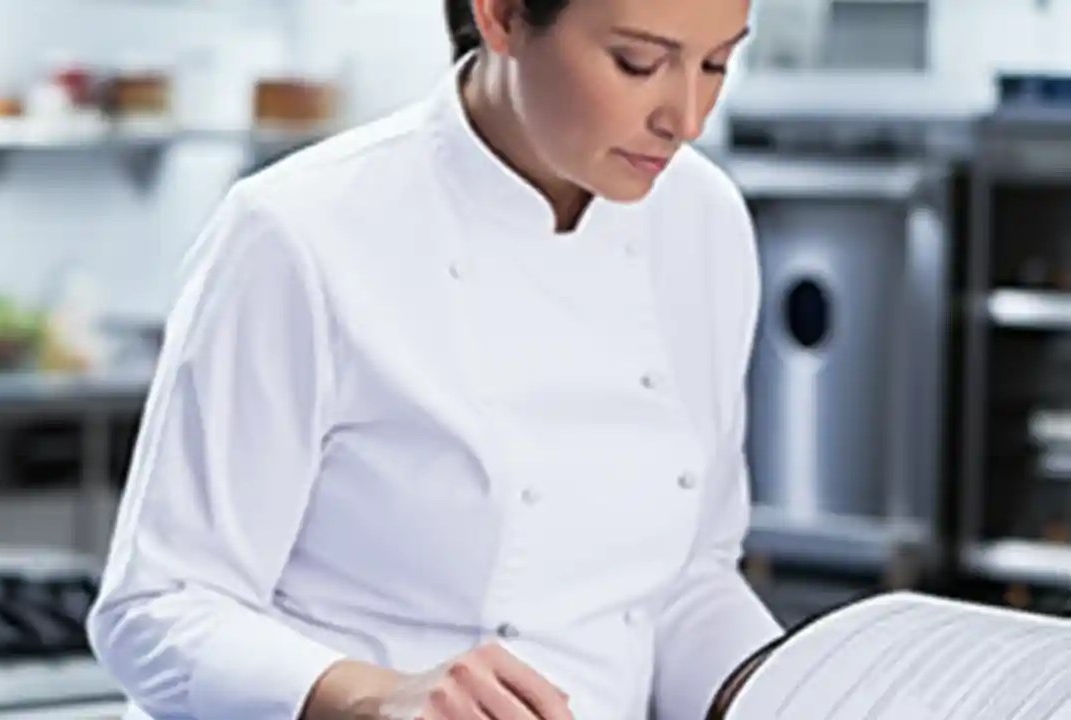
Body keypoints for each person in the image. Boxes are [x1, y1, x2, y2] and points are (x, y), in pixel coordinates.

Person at [86, 0, 784, 717]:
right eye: (638, 63)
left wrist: (805, 692)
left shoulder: (705, 222)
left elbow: (688, 583)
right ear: (503, 16)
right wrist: (375, 699)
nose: (688, 118)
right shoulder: (299, 232)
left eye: (716, 64)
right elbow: (157, 610)